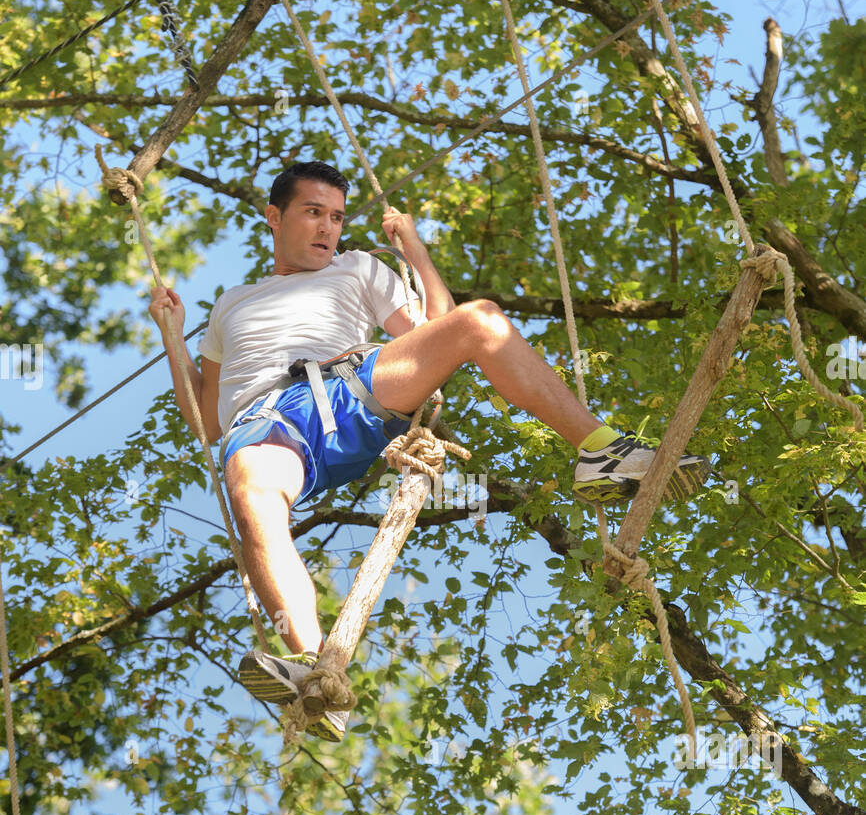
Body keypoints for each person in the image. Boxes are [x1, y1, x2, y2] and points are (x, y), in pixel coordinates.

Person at [149, 159, 710, 740]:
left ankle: (600, 450)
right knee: (253, 497)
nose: (327, 229)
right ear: (275, 217)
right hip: (264, 425)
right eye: (313, 213)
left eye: (336, 217)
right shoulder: (231, 305)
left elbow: (438, 328)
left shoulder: (358, 270)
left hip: (351, 387)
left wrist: (413, 248)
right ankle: (318, 666)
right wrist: (173, 337)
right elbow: (205, 422)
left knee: (482, 321)